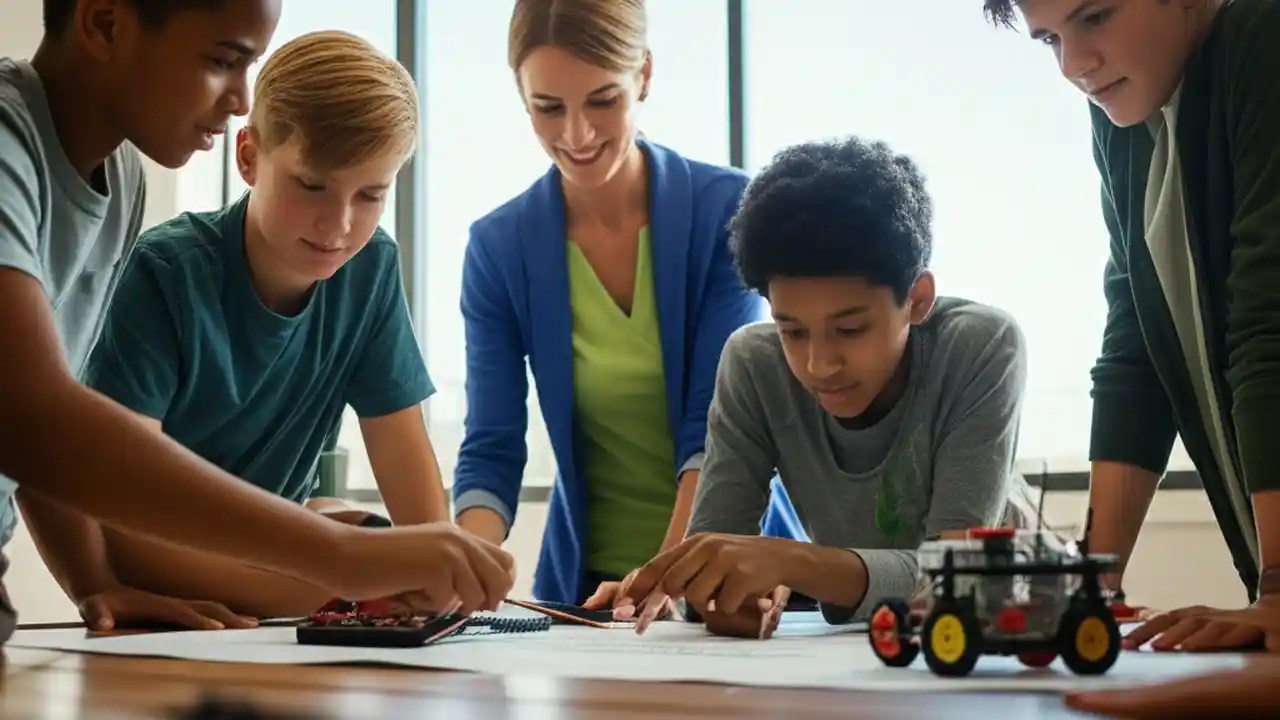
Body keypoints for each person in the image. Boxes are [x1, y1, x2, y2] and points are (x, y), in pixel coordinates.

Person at [0, 0, 512, 641]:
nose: (242, 98)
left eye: (370, 195)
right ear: (105, 24)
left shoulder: (120, 174)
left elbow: (50, 425)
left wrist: (92, 581)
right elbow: (37, 418)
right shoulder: (151, 254)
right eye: (223, 61)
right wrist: (342, 561)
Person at [452, 0, 801, 608]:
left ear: (643, 75)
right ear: (522, 97)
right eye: (548, 107)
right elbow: (492, 445)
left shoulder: (727, 211)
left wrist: (663, 579)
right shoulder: (498, 248)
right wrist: (460, 571)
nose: (576, 134)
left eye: (602, 101)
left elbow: (717, 427)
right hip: (588, 595)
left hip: (737, 576)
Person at [619, 137, 1037, 635]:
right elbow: (712, 568)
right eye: (792, 331)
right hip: (858, 645)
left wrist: (792, 563)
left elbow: (955, 580)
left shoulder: (979, 346)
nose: (819, 365)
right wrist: (724, 598)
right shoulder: (754, 364)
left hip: (1005, 626)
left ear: (917, 299)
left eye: (851, 329)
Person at [982, 0, 1280, 652]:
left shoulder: (1265, 36)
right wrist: (1093, 586)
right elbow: (1136, 345)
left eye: (1095, 17)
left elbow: (1271, 325)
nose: (1073, 65)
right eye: (1049, 40)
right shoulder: (1127, 114)